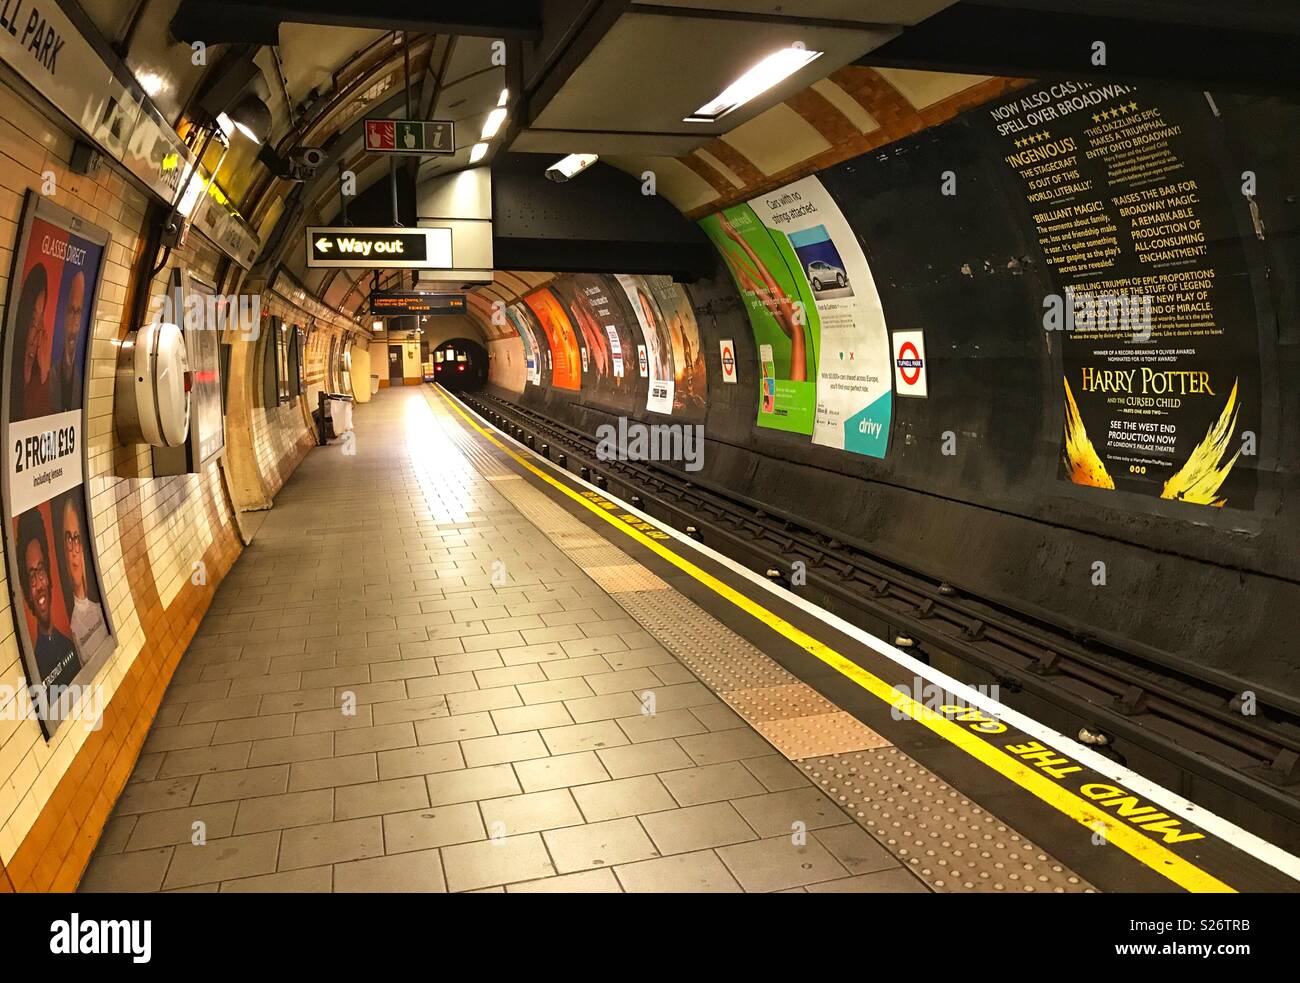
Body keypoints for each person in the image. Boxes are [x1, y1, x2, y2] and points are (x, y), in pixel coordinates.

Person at [17, 510, 80, 687]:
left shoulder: (69, 645)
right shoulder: (35, 665)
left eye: (41, 569)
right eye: (31, 576)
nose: (39, 583)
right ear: (28, 593)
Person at [57, 495, 107, 656]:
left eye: (77, 538)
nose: (74, 552)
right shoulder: (73, 627)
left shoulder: (99, 608)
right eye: (68, 540)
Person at [11, 264, 53, 422]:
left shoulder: (41, 377)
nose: (38, 333)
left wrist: (43, 376)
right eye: (34, 320)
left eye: (41, 321)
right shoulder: (9, 372)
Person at [54, 270, 86, 412]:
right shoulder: (49, 379)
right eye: (71, 311)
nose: (74, 323)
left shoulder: (80, 384)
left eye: (78, 312)